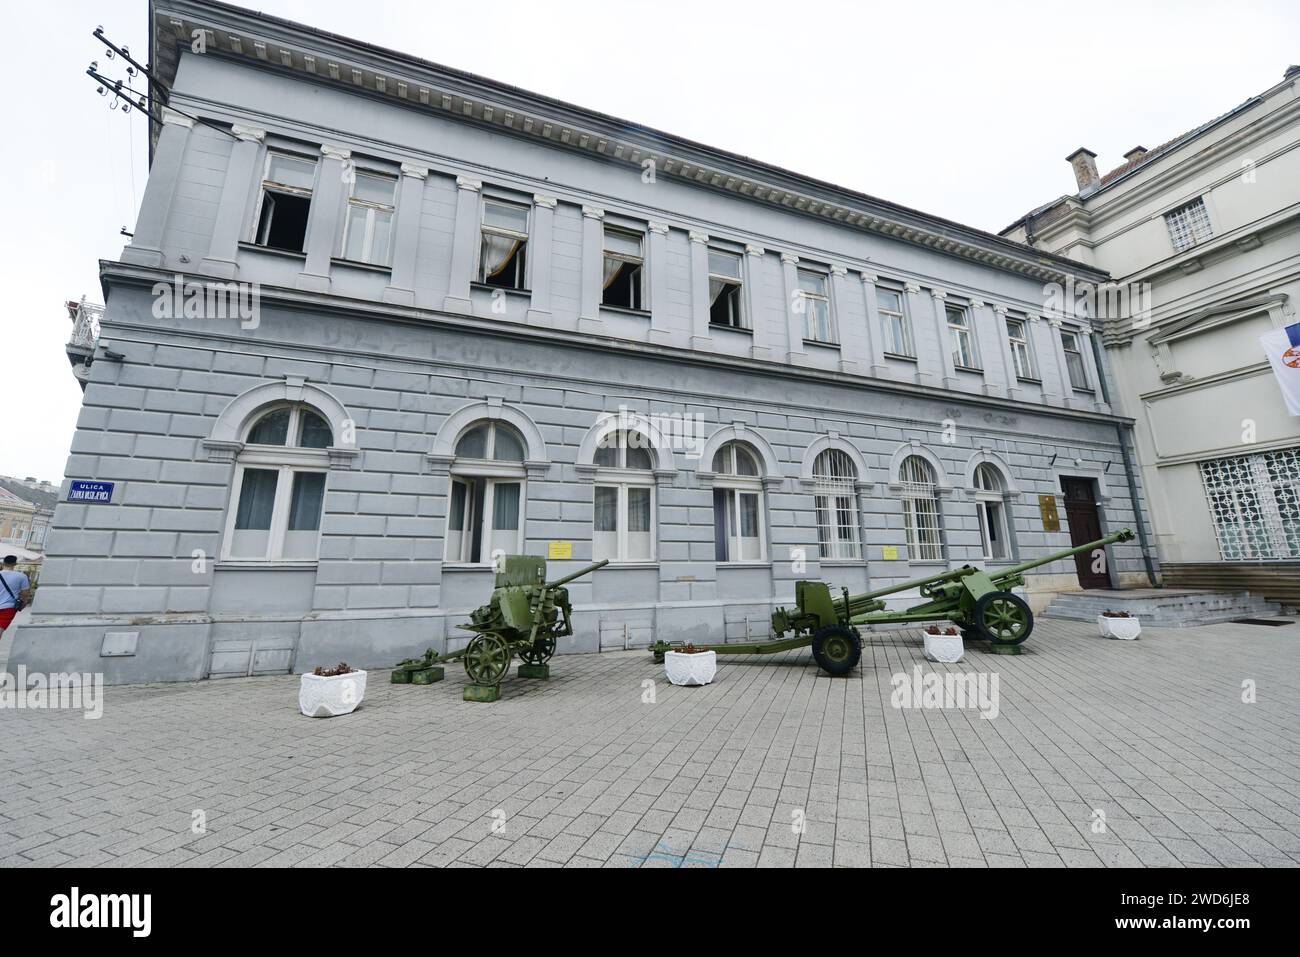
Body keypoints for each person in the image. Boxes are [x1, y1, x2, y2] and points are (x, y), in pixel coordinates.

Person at [0, 555, 32, 638]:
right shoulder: (22, 577)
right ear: (15, 564)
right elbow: (25, 594)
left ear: (3, 563)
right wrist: (23, 604)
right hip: (8, 608)